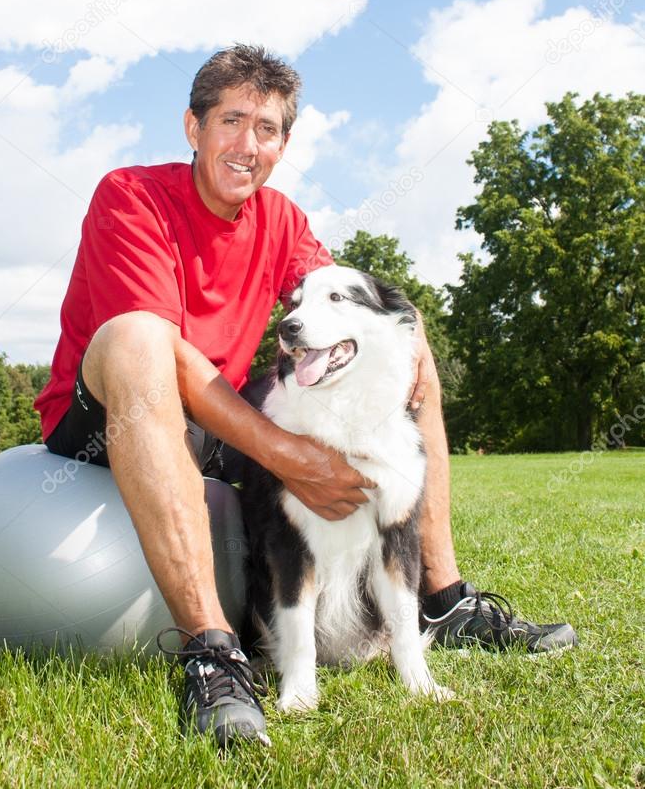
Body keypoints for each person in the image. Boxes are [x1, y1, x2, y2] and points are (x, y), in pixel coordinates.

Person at [35, 44, 577, 749]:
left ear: (283, 144)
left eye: (267, 129)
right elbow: (165, 358)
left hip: (218, 415)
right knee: (140, 337)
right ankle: (212, 653)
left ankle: (443, 599)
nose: (246, 144)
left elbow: (342, 313)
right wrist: (290, 454)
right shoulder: (131, 195)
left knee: (404, 348)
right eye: (231, 121)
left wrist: (409, 342)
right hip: (113, 417)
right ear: (193, 127)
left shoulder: (281, 219)